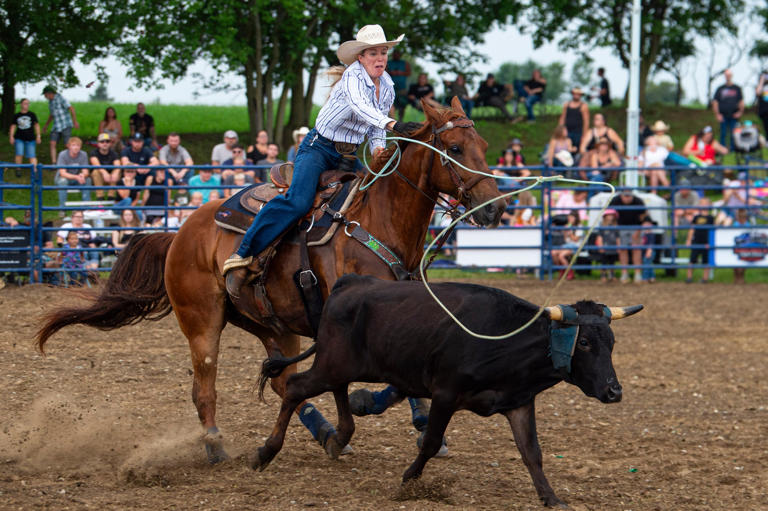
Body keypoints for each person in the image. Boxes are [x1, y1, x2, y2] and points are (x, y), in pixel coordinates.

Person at [222, 23, 421, 282]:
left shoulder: (388, 85)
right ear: (360, 57)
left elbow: (375, 127)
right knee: (299, 201)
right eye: (373, 53)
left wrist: (379, 151)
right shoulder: (352, 77)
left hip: (349, 156)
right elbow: (362, 108)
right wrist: (394, 124)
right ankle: (244, 252)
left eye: (383, 52)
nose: (379, 58)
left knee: (375, 199)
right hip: (319, 148)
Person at [608, 190, 647, 283]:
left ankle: (638, 274)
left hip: (635, 226)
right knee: (622, 250)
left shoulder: (638, 201)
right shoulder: (615, 200)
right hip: (621, 227)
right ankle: (624, 273)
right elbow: (610, 214)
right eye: (625, 196)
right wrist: (615, 228)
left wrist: (638, 230)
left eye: (629, 196)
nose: (627, 198)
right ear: (621, 195)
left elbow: (643, 216)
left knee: (636, 250)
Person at [42, 85, 79, 164]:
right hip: (56, 125)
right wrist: (46, 125)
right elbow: (52, 115)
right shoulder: (50, 102)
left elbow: (71, 109)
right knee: (52, 143)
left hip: (65, 124)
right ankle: (54, 162)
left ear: (49, 93)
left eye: (45, 94)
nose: (45, 96)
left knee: (67, 144)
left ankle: (70, 162)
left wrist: (74, 121)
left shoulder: (61, 98)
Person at [712, 69, 744, 151]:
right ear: (724, 76)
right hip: (723, 115)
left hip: (734, 115)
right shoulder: (720, 88)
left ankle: (733, 149)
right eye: (726, 75)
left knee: (734, 133)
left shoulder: (737, 88)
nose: (728, 76)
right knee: (723, 133)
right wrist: (717, 114)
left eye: (729, 75)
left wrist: (740, 112)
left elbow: (741, 101)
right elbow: (715, 102)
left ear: (731, 76)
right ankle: (723, 149)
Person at [54, 136, 91, 207]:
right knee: (63, 181)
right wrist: (77, 177)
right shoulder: (63, 155)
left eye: (78, 145)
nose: (76, 147)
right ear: (68, 146)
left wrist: (82, 175)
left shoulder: (83, 154)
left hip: (76, 179)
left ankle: (85, 207)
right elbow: (62, 173)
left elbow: (86, 171)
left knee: (87, 180)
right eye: (73, 145)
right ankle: (62, 208)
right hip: (62, 178)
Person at [120, 133, 159, 200]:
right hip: (132, 174)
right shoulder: (126, 151)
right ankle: (128, 199)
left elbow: (156, 162)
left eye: (139, 141)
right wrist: (136, 167)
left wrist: (147, 167)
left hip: (144, 174)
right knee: (128, 174)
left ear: (143, 142)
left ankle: (145, 197)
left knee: (151, 176)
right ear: (132, 142)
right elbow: (124, 162)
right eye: (135, 141)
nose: (137, 144)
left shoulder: (147, 150)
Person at [685, 198, 714, 283]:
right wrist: (689, 240)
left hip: (706, 242)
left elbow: (713, 231)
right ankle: (689, 278)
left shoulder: (711, 218)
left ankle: (705, 279)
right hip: (696, 241)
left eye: (706, 203)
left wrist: (711, 242)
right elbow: (692, 229)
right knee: (692, 260)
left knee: (706, 261)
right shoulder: (696, 217)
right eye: (702, 203)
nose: (704, 205)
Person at [550, 209, 582, 281]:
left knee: (561, 256)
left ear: (576, 218)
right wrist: (565, 232)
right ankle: (561, 271)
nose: (570, 219)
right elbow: (565, 240)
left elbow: (575, 239)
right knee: (553, 253)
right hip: (567, 245)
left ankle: (569, 273)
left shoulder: (580, 227)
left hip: (575, 246)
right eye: (569, 218)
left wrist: (570, 232)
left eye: (572, 218)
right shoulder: (567, 226)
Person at [9, 98, 41, 166]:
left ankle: (34, 170)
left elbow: (37, 125)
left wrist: (38, 136)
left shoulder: (32, 115)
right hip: (19, 137)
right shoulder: (17, 115)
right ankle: (18, 168)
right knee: (19, 153)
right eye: (25, 103)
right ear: (21, 104)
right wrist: (11, 136)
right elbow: (13, 126)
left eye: (28, 103)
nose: (27, 105)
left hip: (31, 138)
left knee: (32, 155)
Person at [89, 132, 121, 199]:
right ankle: (100, 197)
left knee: (117, 172)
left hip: (111, 178)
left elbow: (118, 165)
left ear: (110, 143)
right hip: (99, 178)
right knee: (96, 172)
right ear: (98, 144)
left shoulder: (114, 153)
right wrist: (104, 172)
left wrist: (116, 173)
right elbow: (96, 164)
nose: (105, 143)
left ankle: (111, 196)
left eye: (107, 141)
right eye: (102, 141)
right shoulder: (93, 153)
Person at [595, 209, 619, 282]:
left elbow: (618, 237)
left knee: (612, 262)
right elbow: (599, 237)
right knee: (604, 262)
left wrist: (618, 246)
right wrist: (600, 246)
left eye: (612, 215)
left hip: (613, 247)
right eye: (609, 215)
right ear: (605, 217)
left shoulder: (616, 227)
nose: (610, 217)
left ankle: (612, 275)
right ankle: (603, 275)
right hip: (605, 247)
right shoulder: (602, 226)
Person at [386, 49, 411, 121]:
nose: (396, 55)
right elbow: (384, 72)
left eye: (397, 54)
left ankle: (400, 120)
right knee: (390, 104)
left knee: (402, 104)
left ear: (400, 55)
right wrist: (391, 72)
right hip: (390, 87)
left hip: (401, 87)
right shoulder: (388, 63)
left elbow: (408, 73)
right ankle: (391, 121)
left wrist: (401, 73)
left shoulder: (405, 63)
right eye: (394, 54)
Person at [732, 208, 750, 284]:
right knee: (735, 263)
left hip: (744, 246)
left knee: (743, 263)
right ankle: (736, 278)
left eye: (743, 216)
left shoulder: (747, 224)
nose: (741, 218)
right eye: (740, 216)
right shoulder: (735, 224)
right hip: (737, 245)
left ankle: (741, 278)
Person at [640, 217, 657, 283]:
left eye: (648, 223)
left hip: (649, 252)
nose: (646, 225)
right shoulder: (644, 234)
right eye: (645, 223)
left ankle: (645, 278)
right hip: (645, 252)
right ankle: (652, 277)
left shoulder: (650, 234)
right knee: (649, 265)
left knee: (646, 265)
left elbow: (651, 244)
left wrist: (649, 251)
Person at [755, 70, 768, 137]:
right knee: (766, 127)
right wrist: (762, 80)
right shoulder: (760, 86)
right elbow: (758, 92)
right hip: (764, 111)